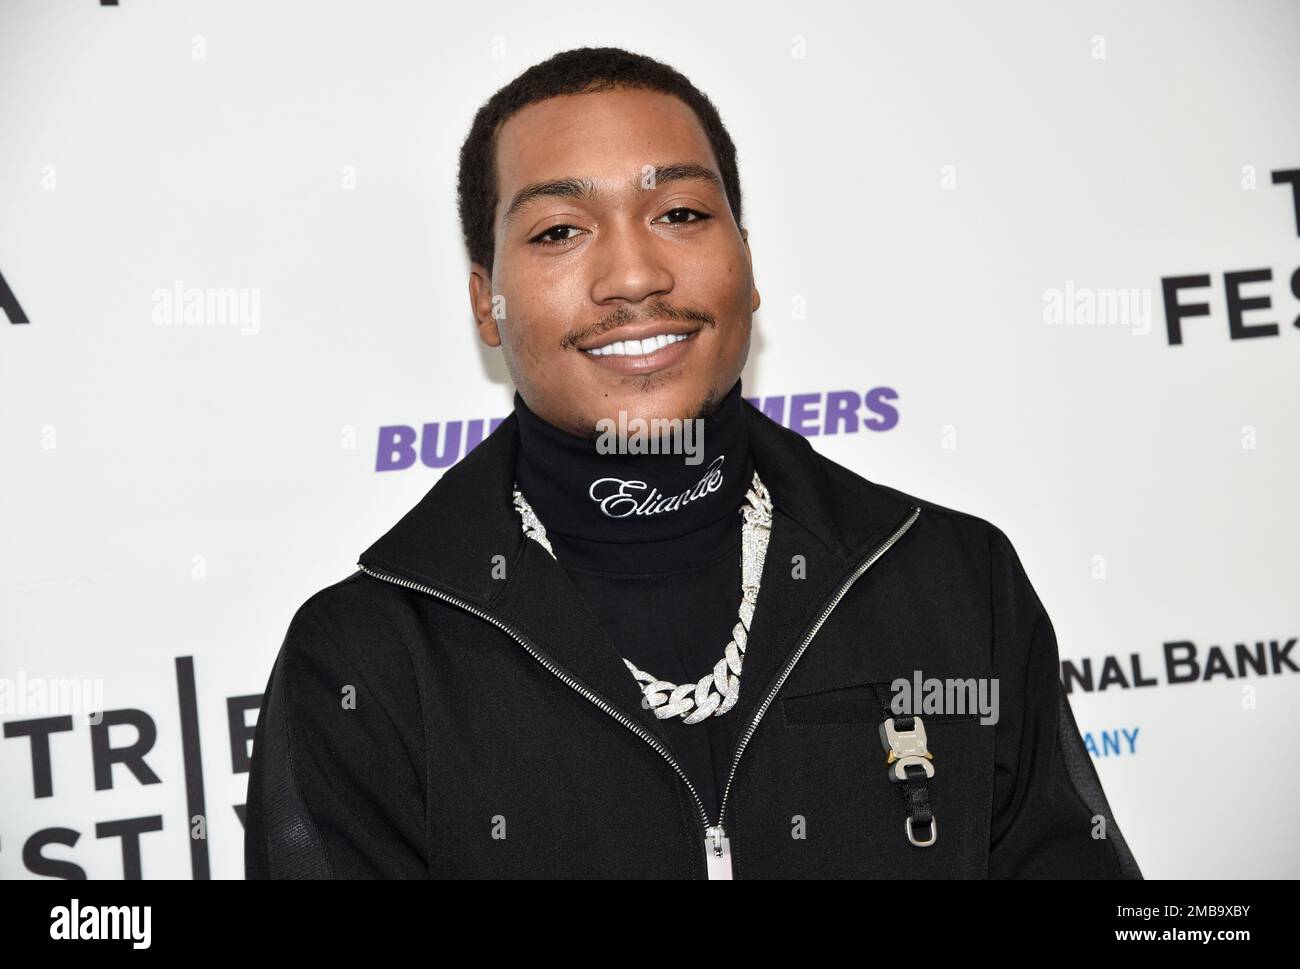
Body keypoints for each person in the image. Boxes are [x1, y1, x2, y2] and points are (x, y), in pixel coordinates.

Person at [244, 46, 1142, 879]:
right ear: (489, 304)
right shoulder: (364, 661)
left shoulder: (953, 580)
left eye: (680, 213)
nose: (633, 276)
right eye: (560, 231)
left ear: (746, 264)